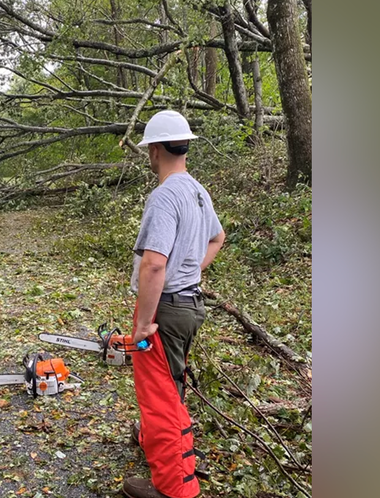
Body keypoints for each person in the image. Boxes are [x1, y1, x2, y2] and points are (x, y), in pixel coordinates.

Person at [123, 111, 226, 498]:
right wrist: (191, 270)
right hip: (190, 303)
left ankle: (173, 488)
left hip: (166, 309)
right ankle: (152, 437)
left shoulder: (165, 196)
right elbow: (218, 238)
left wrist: (143, 324)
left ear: (154, 149)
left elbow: (153, 265)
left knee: (161, 396)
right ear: (184, 145)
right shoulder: (198, 191)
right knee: (171, 384)